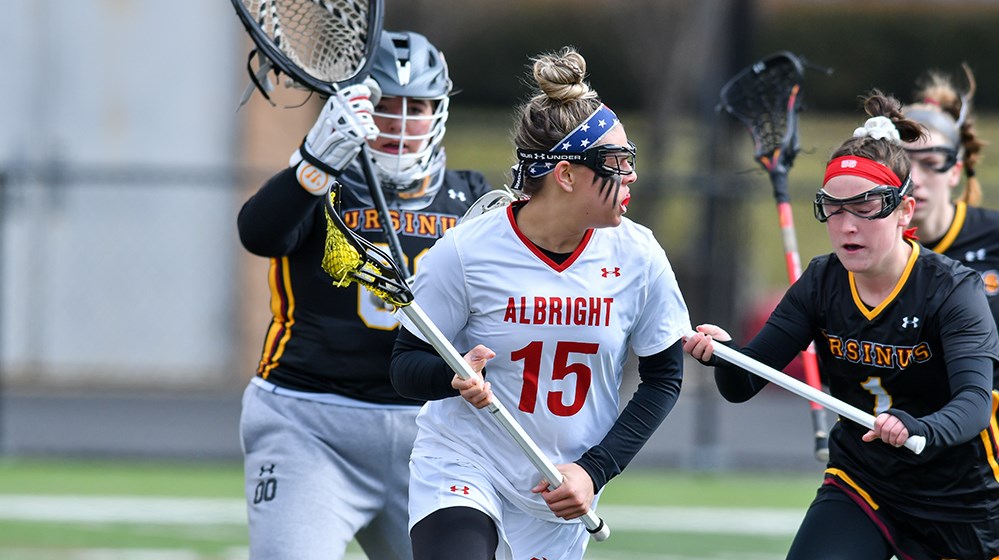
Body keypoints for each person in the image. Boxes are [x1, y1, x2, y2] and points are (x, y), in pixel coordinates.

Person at [389, 46, 689, 560]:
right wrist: (452, 377)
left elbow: (664, 379)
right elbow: (403, 365)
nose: (631, 175)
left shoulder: (639, 255)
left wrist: (594, 471)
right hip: (464, 461)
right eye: (616, 163)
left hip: (558, 487)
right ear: (566, 175)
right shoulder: (465, 251)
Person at [684, 90, 999, 559]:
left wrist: (919, 428)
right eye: (834, 207)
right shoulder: (821, 282)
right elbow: (742, 385)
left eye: (866, 207)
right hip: (864, 482)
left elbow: (974, 404)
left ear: (904, 211)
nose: (847, 225)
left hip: (959, 497)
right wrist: (724, 355)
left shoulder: (953, 289)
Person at [236, 30, 491, 560]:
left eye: (416, 107)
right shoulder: (319, 185)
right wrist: (312, 163)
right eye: (386, 106)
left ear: (439, 111)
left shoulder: (472, 200)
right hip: (311, 422)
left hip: (434, 433)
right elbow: (259, 234)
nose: (400, 123)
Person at [902, 64, 999, 332]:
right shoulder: (870, 247)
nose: (914, 179)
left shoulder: (994, 236)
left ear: (955, 171)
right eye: (902, 164)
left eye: (930, 163)